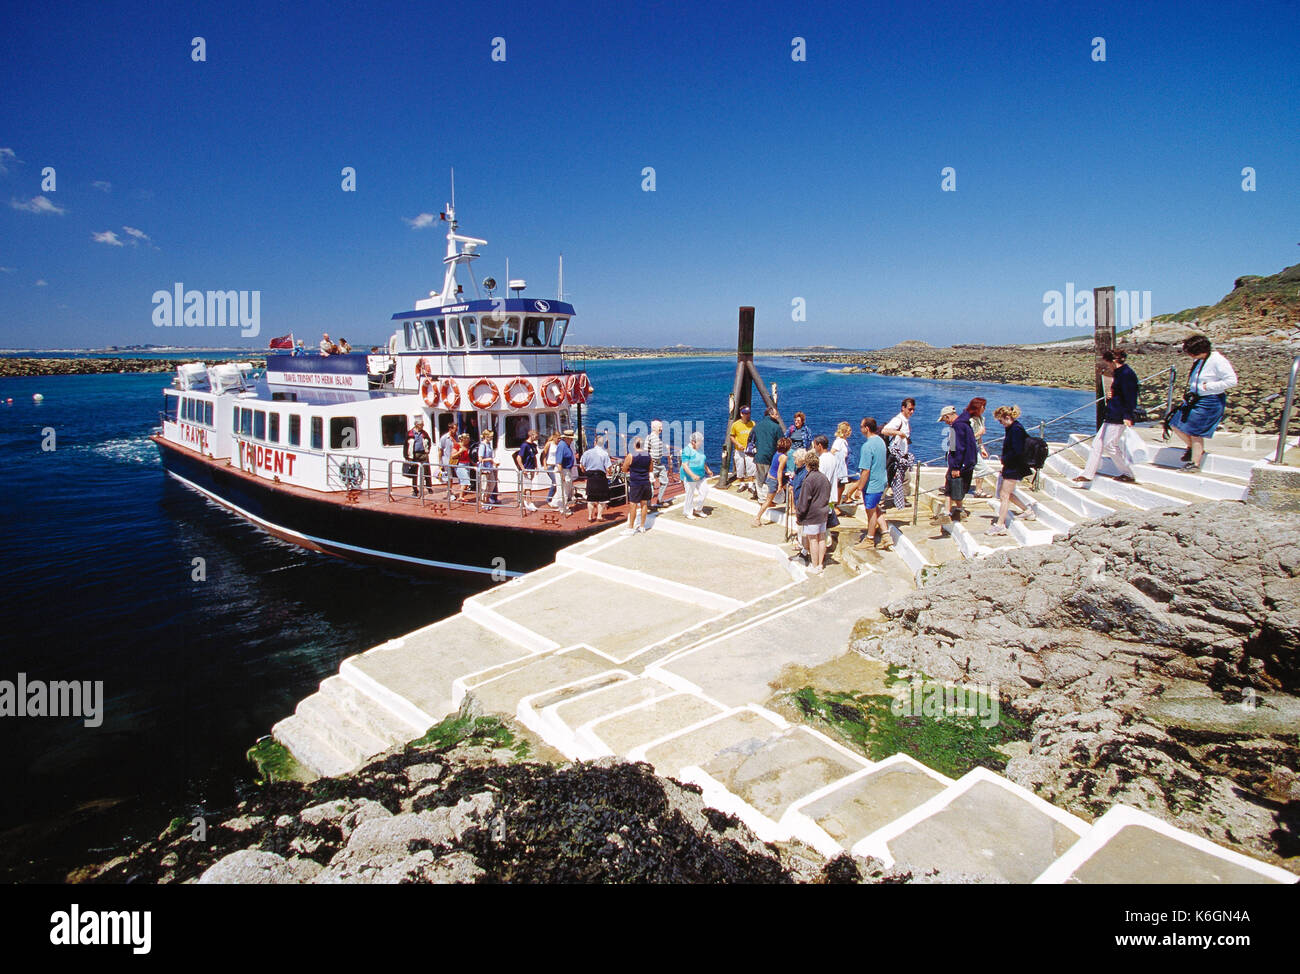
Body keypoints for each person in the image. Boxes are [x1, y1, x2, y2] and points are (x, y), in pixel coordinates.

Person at [1168, 334, 1237, 470]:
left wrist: (1208, 387)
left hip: (1210, 400)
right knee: (1174, 423)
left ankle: (1195, 463)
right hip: (1196, 399)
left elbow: (1232, 381)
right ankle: (1193, 449)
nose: (1189, 355)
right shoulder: (1200, 360)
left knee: (1195, 432)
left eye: (1191, 352)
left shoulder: (1217, 360)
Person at [1073, 350, 1140, 488]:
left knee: (1110, 445)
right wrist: (1112, 394)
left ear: (1113, 361)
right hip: (1112, 414)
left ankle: (1128, 473)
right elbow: (1121, 392)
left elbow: (1131, 397)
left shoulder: (1127, 374)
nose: (1107, 366)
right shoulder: (1120, 373)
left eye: (1108, 363)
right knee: (1097, 443)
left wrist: (1128, 416)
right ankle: (1088, 473)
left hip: (1119, 415)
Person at [987, 405, 1039, 535]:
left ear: (1007, 417)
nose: (1001, 423)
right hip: (1010, 466)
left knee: (1004, 495)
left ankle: (1000, 525)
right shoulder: (1012, 428)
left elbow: (1017, 451)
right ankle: (1027, 511)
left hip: (1013, 466)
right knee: (1005, 493)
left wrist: (1005, 460)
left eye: (1001, 421)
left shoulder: (1015, 429)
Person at [840, 418, 892, 550]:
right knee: (875, 508)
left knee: (871, 512)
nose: (860, 429)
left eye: (861, 426)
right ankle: (886, 535)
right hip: (882, 480)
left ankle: (869, 539)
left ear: (866, 428)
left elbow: (865, 470)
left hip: (872, 484)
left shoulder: (867, 446)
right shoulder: (880, 441)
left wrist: (859, 488)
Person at [935, 404, 977, 523]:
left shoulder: (956, 427)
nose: (945, 423)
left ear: (948, 416)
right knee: (956, 486)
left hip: (959, 464)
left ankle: (946, 514)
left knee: (949, 486)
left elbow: (956, 448)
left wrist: (955, 466)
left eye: (944, 420)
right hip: (968, 462)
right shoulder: (965, 424)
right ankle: (959, 510)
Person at [794, 453, 831, 575]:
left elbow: (804, 501)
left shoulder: (808, 480)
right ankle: (820, 564)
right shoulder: (824, 478)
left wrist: (799, 515)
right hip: (823, 513)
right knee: (821, 539)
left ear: (807, 465)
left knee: (813, 540)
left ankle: (814, 565)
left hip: (812, 515)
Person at [880, 398, 917, 510]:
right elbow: (884, 431)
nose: (912, 412)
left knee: (905, 479)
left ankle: (902, 499)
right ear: (903, 408)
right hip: (895, 456)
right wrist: (898, 433)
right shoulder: (898, 420)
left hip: (902, 456)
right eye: (910, 409)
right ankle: (880, 502)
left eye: (913, 410)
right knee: (888, 479)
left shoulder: (905, 421)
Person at [753, 436, 792, 526]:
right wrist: (780, 485)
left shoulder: (777, 453)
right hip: (775, 480)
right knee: (768, 500)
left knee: (790, 489)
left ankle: (791, 507)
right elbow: (779, 471)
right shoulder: (784, 457)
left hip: (770, 477)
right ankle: (757, 518)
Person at [751, 406, 784, 506]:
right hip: (771, 457)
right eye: (776, 414)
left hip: (758, 457)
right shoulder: (776, 427)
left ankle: (761, 499)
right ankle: (772, 500)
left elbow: (751, 439)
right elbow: (781, 442)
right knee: (771, 479)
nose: (777, 416)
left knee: (760, 479)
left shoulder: (757, 426)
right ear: (771, 415)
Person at [622, 437, 653, 534]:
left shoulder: (631, 455)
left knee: (633, 505)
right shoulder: (648, 456)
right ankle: (642, 526)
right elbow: (651, 469)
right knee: (644, 504)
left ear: (635, 445)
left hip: (636, 484)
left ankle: (630, 527)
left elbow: (624, 469)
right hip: (645, 483)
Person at [579, 434, 613, 522]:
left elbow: (581, 465)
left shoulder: (587, 453)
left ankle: (590, 517)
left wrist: (584, 471)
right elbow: (608, 468)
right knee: (602, 499)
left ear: (595, 443)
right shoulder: (604, 454)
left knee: (590, 498)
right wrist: (609, 473)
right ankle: (599, 516)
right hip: (601, 477)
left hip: (590, 477)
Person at [680, 430, 713, 518]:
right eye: (699, 442)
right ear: (693, 442)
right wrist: (692, 475)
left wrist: (708, 470)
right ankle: (688, 512)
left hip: (700, 475)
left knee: (705, 491)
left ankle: (698, 509)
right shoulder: (687, 450)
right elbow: (685, 466)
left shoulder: (699, 450)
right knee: (690, 494)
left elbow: (702, 460)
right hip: (689, 476)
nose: (701, 444)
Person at [968, 397, 996, 498]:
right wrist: (978, 433)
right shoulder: (970, 420)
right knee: (982, 468)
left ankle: (978, 489)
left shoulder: (981, 419)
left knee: (978, 467)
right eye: (983, 407)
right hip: (968, 446)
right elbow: (966, 438)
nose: (984, 409)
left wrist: (982, 448)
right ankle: (978, 490)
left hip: (975, 446)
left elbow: (980, 437)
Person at [728, 405, 757, 497]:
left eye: (748, 413)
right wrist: (737, 444)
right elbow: (732, 436)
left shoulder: (753, 424)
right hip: (739, 450)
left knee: (751, 467)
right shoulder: (735, 425)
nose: (747, 415)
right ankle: (742, 483)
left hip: (749, 450)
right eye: (745, 414)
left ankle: (751, 484)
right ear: (741, 414)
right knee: (740, 467)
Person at [404, 416, 434, 495]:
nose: (423, 426)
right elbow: (406, 445)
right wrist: (407, 456)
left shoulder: (424, 433)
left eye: (423, 424)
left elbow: (429, 441)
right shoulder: (410, 433)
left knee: (427, 471)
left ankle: (429, 487)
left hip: (423, 454)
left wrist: (428, 450)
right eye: (421, 425)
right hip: (414, 455)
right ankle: (415, 490)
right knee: (414, 473)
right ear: (417, 425)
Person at [646, 420, 672, 508]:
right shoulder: (649, 438)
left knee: (665, 481)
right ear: (654, 428)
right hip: (651, 465)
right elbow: (646, 452)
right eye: (660, 427)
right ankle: (648, 504)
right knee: (651, 485)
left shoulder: (658, 438)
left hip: (659, 464)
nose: (661, 429)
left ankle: (659, 500)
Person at [514, 427, 540, 512]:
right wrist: (523, 469)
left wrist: (536, 466)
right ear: (531, 435)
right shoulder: (525, 445)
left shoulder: (533, 445)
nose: (537, 437)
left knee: (526, 486)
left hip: (531, 468)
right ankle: (529, 503)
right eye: (536, 435)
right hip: (526, 469)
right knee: (528, 487)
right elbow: (519, 458)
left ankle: (523, 501)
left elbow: (534, 456)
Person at [555, 429, 578, 514]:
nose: (572, 440)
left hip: (567, 470)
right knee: (564, 490)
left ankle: (563, 506)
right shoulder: (562, 446)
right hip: (563, 470)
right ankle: (563, 509)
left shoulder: (565, 445)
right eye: (571, 438)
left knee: (566, 490)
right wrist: (562, 475)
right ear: (566, 438)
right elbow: (559, 463)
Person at [478, 429, 499, 507]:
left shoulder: (489, 444)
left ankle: (487, 499)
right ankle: (484, 502)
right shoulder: (482, 445)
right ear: (486, 436)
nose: (492, 438)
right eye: (491, 436)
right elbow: (480, 459)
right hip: (484, 469)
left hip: (489, 468)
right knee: (484, 485)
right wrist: (490, 460)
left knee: (492, 484)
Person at [831, 422, 852, 496]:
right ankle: (834, 505)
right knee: (837, 489)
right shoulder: (838, 442)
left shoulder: (843, 442)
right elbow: (832, 452)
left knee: (841, 487)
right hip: (838, 469)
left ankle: (836, 504)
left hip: (843, 467)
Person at [451, 433, 473, 499]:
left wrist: (474, 464)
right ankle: (461, 496)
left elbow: (468, 457)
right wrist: (460, 451)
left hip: (467, 464)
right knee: (465, 481)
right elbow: (452, 455)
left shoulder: (467, 446)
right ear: (463, 439)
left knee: (463, 481)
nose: (469, 440)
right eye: (467, 439)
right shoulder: (457, 445)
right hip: (460, 465)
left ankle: (462, 496)